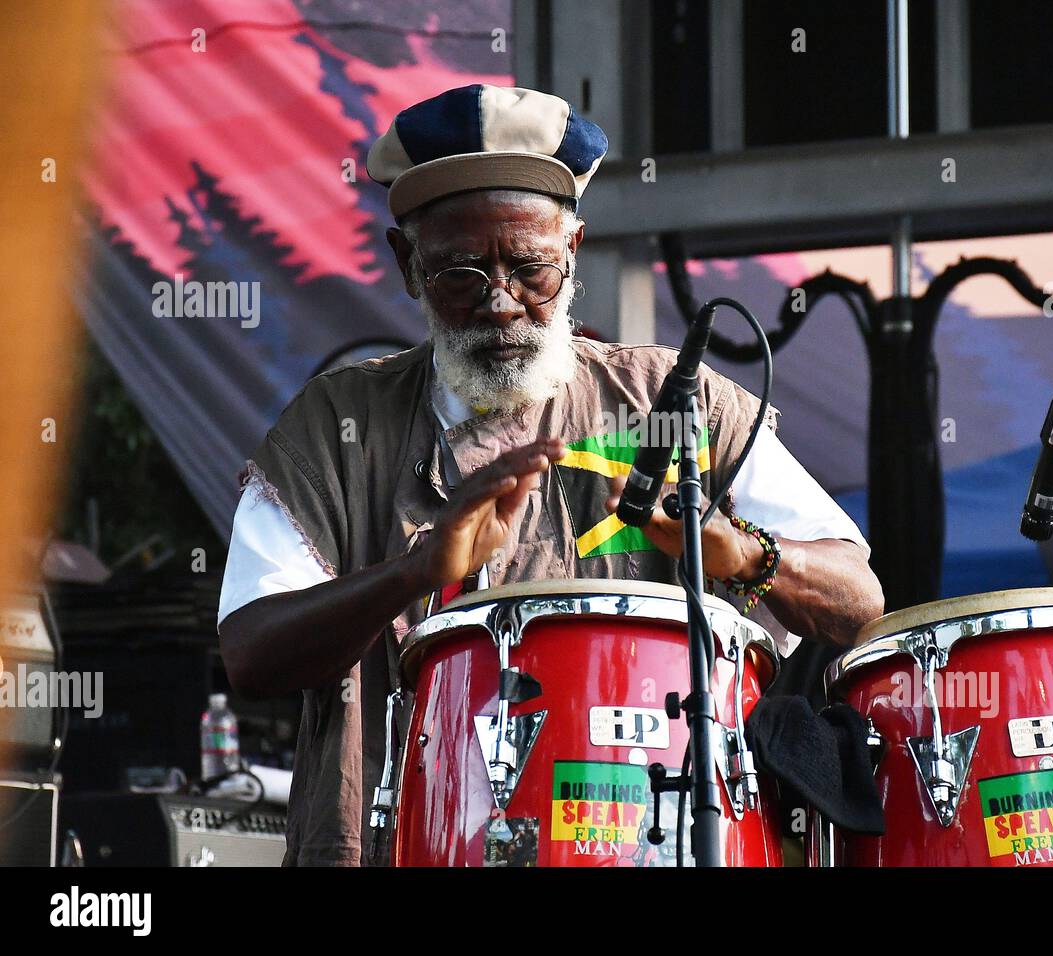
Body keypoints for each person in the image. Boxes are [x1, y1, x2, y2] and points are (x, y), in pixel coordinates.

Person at [216, 84, 884, 866]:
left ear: (573, 253)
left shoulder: (678, 403)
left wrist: (742, 555)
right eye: (459, 276)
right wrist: (415, 573)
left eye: (530, 269)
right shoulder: (338, 424)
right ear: (406, 265)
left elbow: (857, 603)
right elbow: (253, 651)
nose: (500, 304)